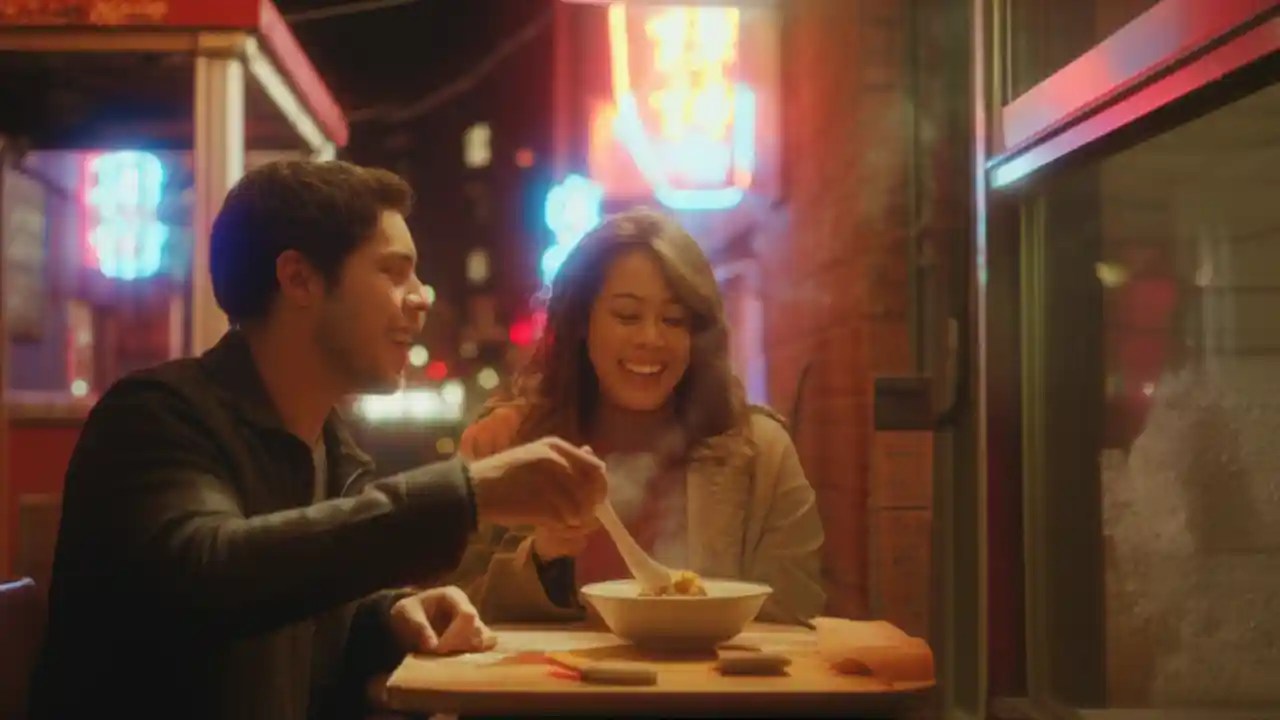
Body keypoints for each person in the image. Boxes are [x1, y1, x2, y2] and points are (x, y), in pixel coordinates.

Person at [28, 160, 607, 720]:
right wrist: (469, 494)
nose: (423, 296)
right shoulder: (157, 417)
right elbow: (208, 575)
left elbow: (292, 615)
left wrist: (387, 618)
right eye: (393, 271)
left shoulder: (330, 448)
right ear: (298, 278)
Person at [451, 207, 825, 625]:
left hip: (708, 691)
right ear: (580, 323)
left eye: (673, 319)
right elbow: (449, 606)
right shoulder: (512, 445)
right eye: (627, 316)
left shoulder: (763, 455)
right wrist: (540, 559)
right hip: (552, 689)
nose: (651, 338)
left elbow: (795, 620)